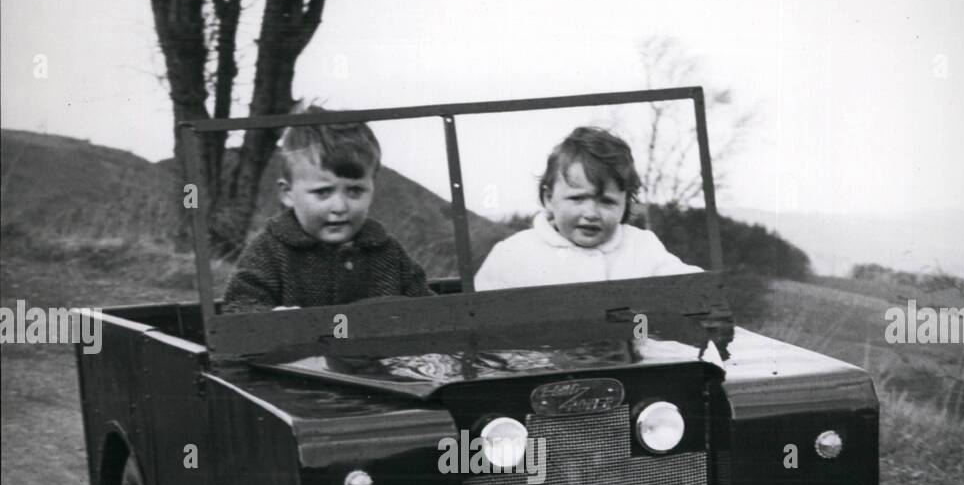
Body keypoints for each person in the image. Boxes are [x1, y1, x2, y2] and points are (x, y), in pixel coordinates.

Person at [222, 114, 431, 312]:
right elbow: (240, 305)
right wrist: (273, 318)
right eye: (323, 192)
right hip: (299, 339)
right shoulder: (269, 251)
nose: (340, 207)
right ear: (288, 194)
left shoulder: (387, 251)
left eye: (355, 191)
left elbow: (429, 308)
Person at [473, 125, 702, 291]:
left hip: (633, 341)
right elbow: (483, 322)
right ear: (549, 198)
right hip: (540, 345)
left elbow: (690, 287)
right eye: (578, 198)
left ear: (625, 204)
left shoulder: (641, 247)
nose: (591, 213)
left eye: (607, 201)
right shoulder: (514, 254)